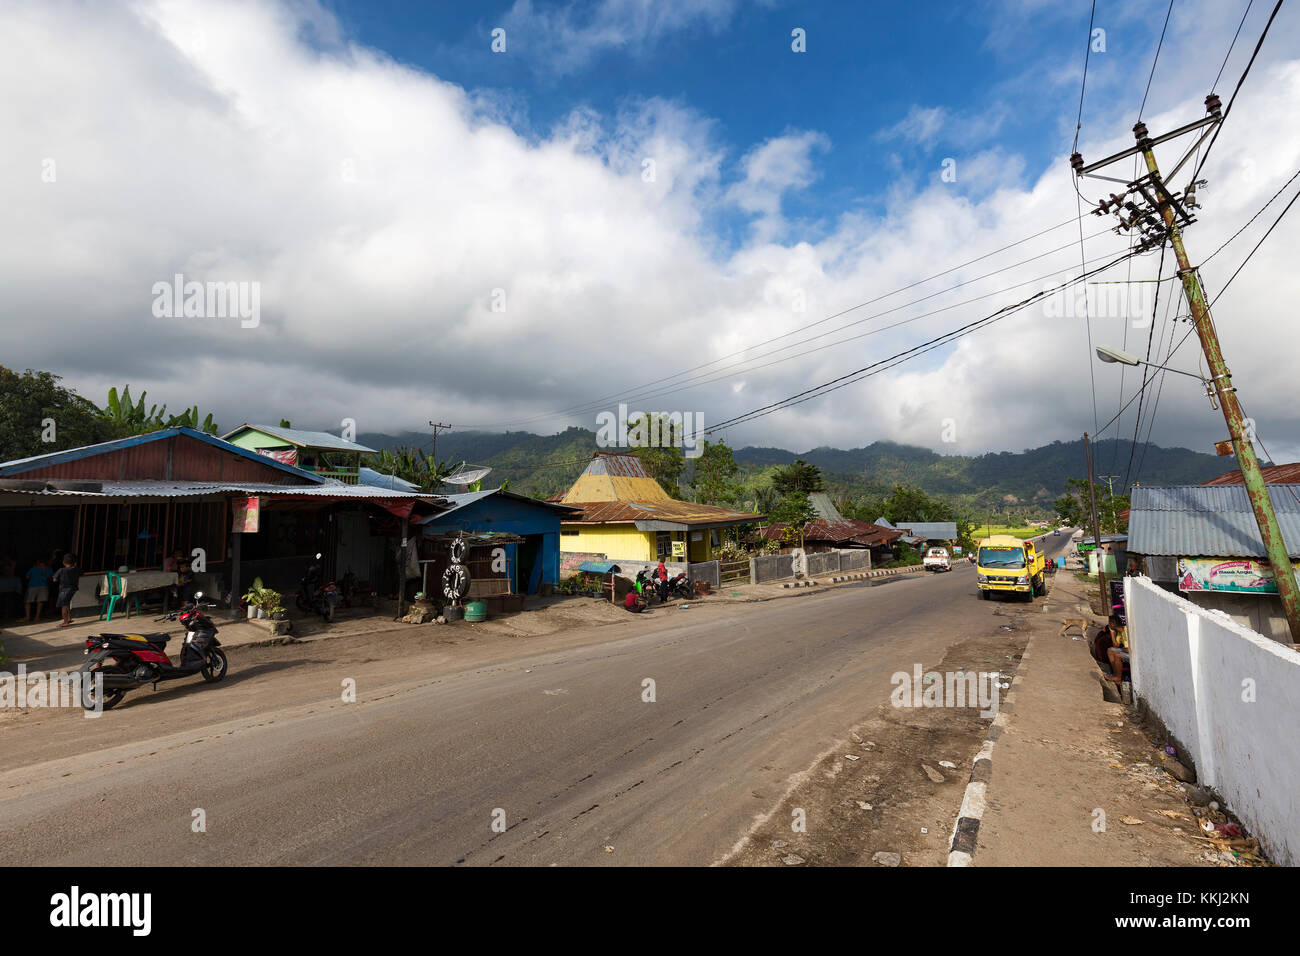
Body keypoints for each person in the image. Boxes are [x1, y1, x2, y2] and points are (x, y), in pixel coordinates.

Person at [1092, 614, 1129, 685]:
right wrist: (1112, 633)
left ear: (1113, 624)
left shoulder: (1125, 632)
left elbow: (1128, 650)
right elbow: (1116, 645)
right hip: (1126, 650)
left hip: (1132, 654)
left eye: (1109, 623)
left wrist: (1120, 650)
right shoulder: (1119, 632)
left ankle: (1118, 678)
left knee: (1117, 655)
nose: (1108, 624)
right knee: (1110, 650)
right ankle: (1115, 674)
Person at [52, 553, 81, 628]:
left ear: (63, 562)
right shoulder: (76, 569)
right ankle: (69, 618)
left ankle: (65, 622)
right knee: (67, 602)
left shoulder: (61, 570)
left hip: (64, 590)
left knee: (64, 606)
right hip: (73, 589)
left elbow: (54, 579)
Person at [23, 556, 52, 623]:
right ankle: (37, 617)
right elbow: (51, 578)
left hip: (32, 586)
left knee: (28, 602)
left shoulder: (33, 568)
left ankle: (27, 617)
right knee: (40, 602)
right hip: (43, 586)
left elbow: (27, 577)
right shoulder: (49, 569)